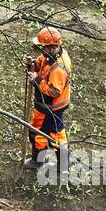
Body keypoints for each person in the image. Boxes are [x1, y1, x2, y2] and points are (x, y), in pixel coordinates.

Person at [23, 27, 72, 170]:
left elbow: (54, 91)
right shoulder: (49, 56)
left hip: (51, 108)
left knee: (50, 135)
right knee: (40, 131)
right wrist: (31, 64)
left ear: (51, 47)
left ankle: (51, 164)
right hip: (44, 106)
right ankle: (40, 160)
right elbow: (41, 63)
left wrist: (37, 80)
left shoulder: (59, 68)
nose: (41, 50)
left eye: (43, 47)